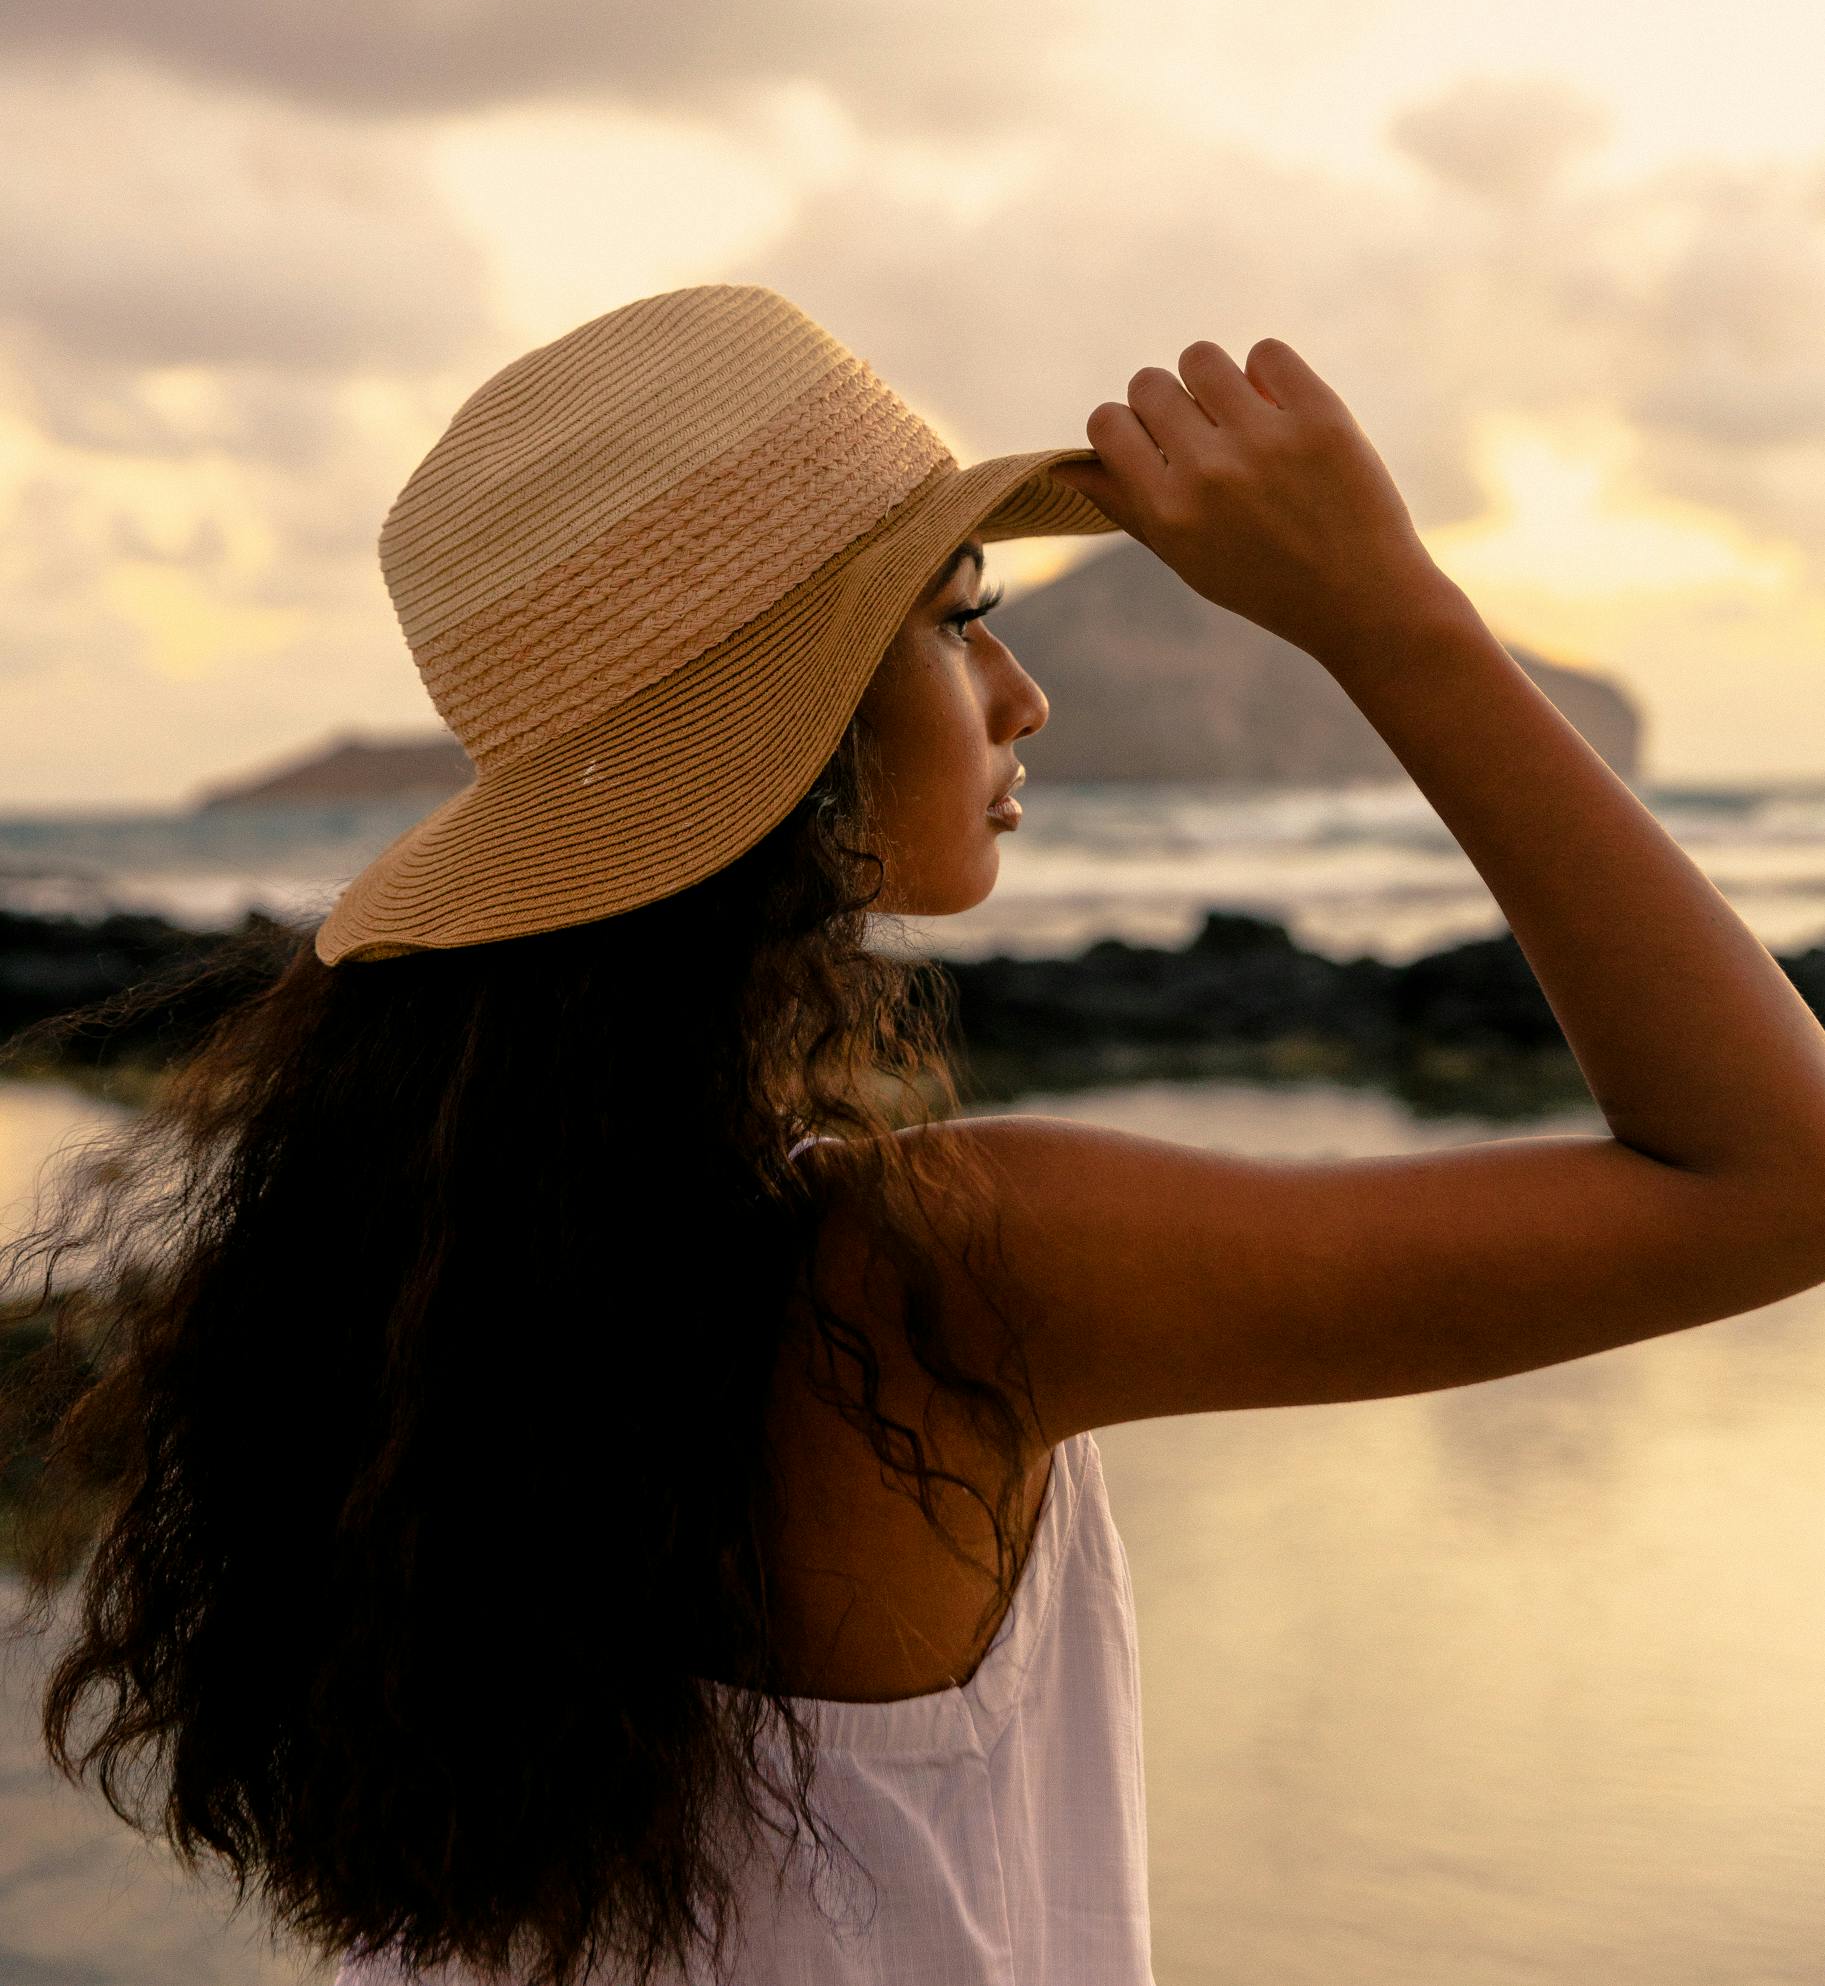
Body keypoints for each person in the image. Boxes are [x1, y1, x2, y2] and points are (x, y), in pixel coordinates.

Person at [6, 280, 1825, 1986]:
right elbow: (1778, 1173)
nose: (1021, 697)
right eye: (961, 622)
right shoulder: (940, 1282)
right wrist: (1388, 617)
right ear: (791, 730)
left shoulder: (401, 1289)